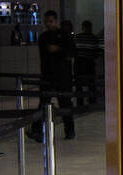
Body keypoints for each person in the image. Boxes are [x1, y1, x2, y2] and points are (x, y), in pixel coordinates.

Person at [30, 9, 75, 141]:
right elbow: (43, 58)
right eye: (46, 22)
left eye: (51, 21)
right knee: (44, 103)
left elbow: (72, 52)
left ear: (55, 21)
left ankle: (70, 130)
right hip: (48, 76)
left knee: (65, 102)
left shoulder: (65, 36)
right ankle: (37, 131)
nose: (48, 24)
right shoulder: (43, 37)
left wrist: (59, 50)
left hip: (63, 76)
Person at [73, 20, 101, 110]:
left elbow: (74, 51)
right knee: (91, 84)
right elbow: (96, 52)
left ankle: (80, 104)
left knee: (79, 85)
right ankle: (92, 103)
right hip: (89, 63)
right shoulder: (94, 38)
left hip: (79, 63)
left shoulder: (77, 37)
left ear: (82, 27)